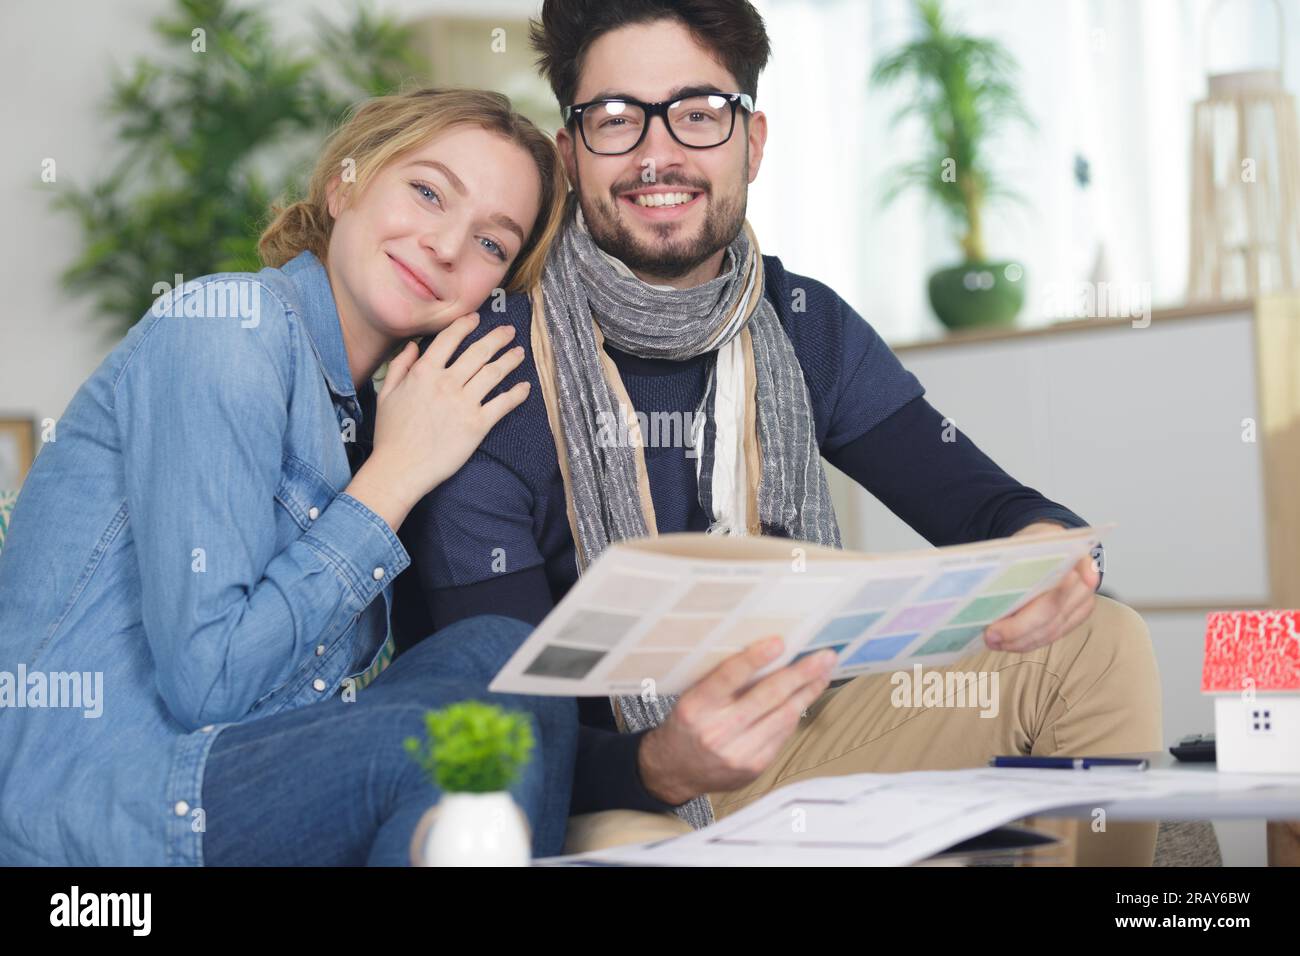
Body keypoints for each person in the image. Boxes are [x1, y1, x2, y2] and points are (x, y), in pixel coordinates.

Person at [393, 1, 1163, 866]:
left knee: (1100, 639)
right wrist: (663, 762)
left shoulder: (803, 325)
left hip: (801, 728)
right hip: (597, 785)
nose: (658, 153)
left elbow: (991, 507)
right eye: (615, 119)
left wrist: (1048, 548)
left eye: (698, 113)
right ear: (570, 154)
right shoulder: (488, 366)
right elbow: (497, 735)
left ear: (752, 141)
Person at [0, 87, 577, 865]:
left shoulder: (366, 419)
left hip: (234, 789)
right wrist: (394, 476)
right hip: (100, 820)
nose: (446, 244)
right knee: (430, 744)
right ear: (344, 185)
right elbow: (211, 684)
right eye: (428, 191)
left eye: (490, 245)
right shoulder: (228, 329)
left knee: (507, 666)